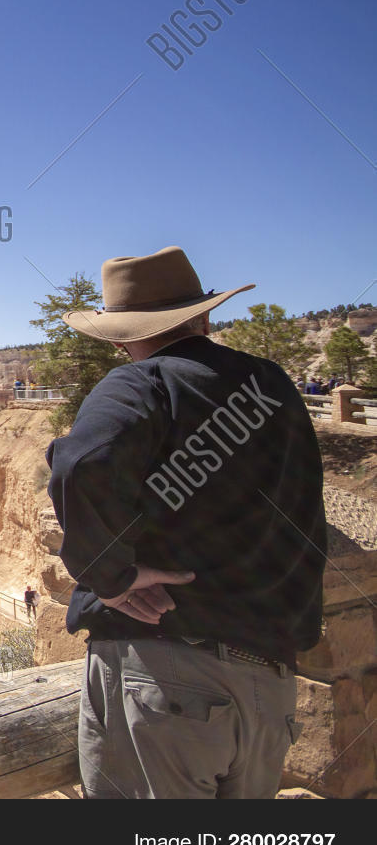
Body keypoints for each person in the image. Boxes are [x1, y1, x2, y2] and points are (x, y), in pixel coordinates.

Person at [47, 247, 325, 799]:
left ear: (122, 335)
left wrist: (112, 576)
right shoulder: (273, 386)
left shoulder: (140, 383)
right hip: (270, 688)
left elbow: (80, 466)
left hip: (168, 678)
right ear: (203, 315)